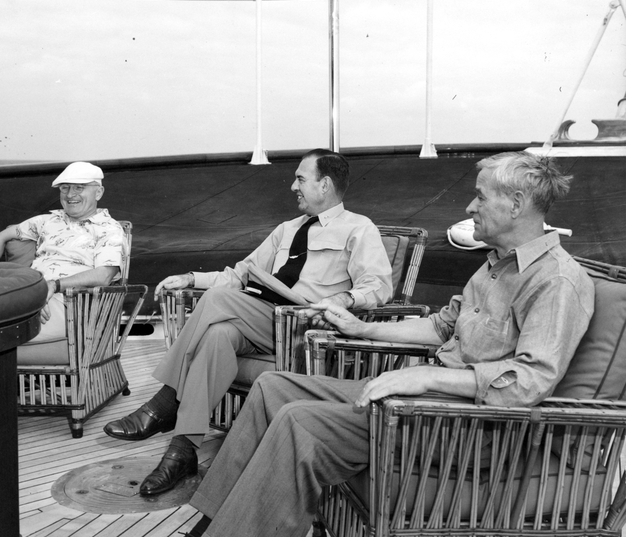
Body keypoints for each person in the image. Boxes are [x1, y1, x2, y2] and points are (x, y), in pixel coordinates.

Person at [184, 151, 596, 537]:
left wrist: (425, 377)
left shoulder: (556, 280)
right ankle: (216, 523)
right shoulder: (495, 266)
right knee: (272, 387)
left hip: (468, 426)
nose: (471, 207)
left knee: (299, 422)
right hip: (427, 405)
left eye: (480, 197)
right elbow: (441, 327)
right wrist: (362, 330)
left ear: (516, 204)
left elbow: (530, 380)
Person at [104, 148, 394, 496]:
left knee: (217, 301)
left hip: (306, 329)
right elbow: (240, 274)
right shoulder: (286, 230)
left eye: (300, 179)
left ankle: (166, 401)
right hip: (264, 317)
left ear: (325, 185)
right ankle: (182, 451)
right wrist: (191, 277)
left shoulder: (359, 228)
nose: (293, 187)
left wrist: (343, 299)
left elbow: (378, 285)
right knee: (218, 334)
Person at [0, 162, 123, 359]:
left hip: (72, 304)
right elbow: (2, 236)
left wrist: (52, 286)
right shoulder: (47, 221)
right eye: (65, 188)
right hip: (32, 294)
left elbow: (104, 275)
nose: (70, 194)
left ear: (98, 192)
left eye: (79, 188)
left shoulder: (109, 229)